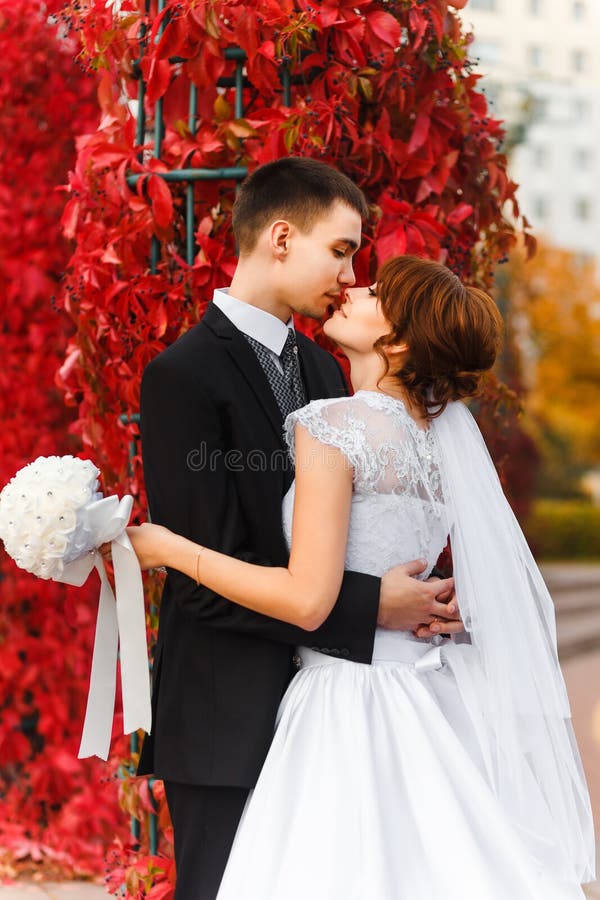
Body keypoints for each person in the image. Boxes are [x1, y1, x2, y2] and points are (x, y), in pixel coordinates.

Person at [129, 255, 595, 899]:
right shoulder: (439, 441)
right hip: (426, 695)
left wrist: (171, 549)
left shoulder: (334, 425)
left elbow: (307, 599)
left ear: (397, 342)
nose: (355, 285)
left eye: (377, 291)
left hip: (346, 701)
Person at [136, 158, 460, 900]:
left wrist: (424, 597)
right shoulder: (182, 376)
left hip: (339, 720)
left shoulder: (326, 369)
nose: (350, 276)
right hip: (227, 721)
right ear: (281, 238)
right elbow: (202, 580)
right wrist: (370, 607)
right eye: (341, 250)